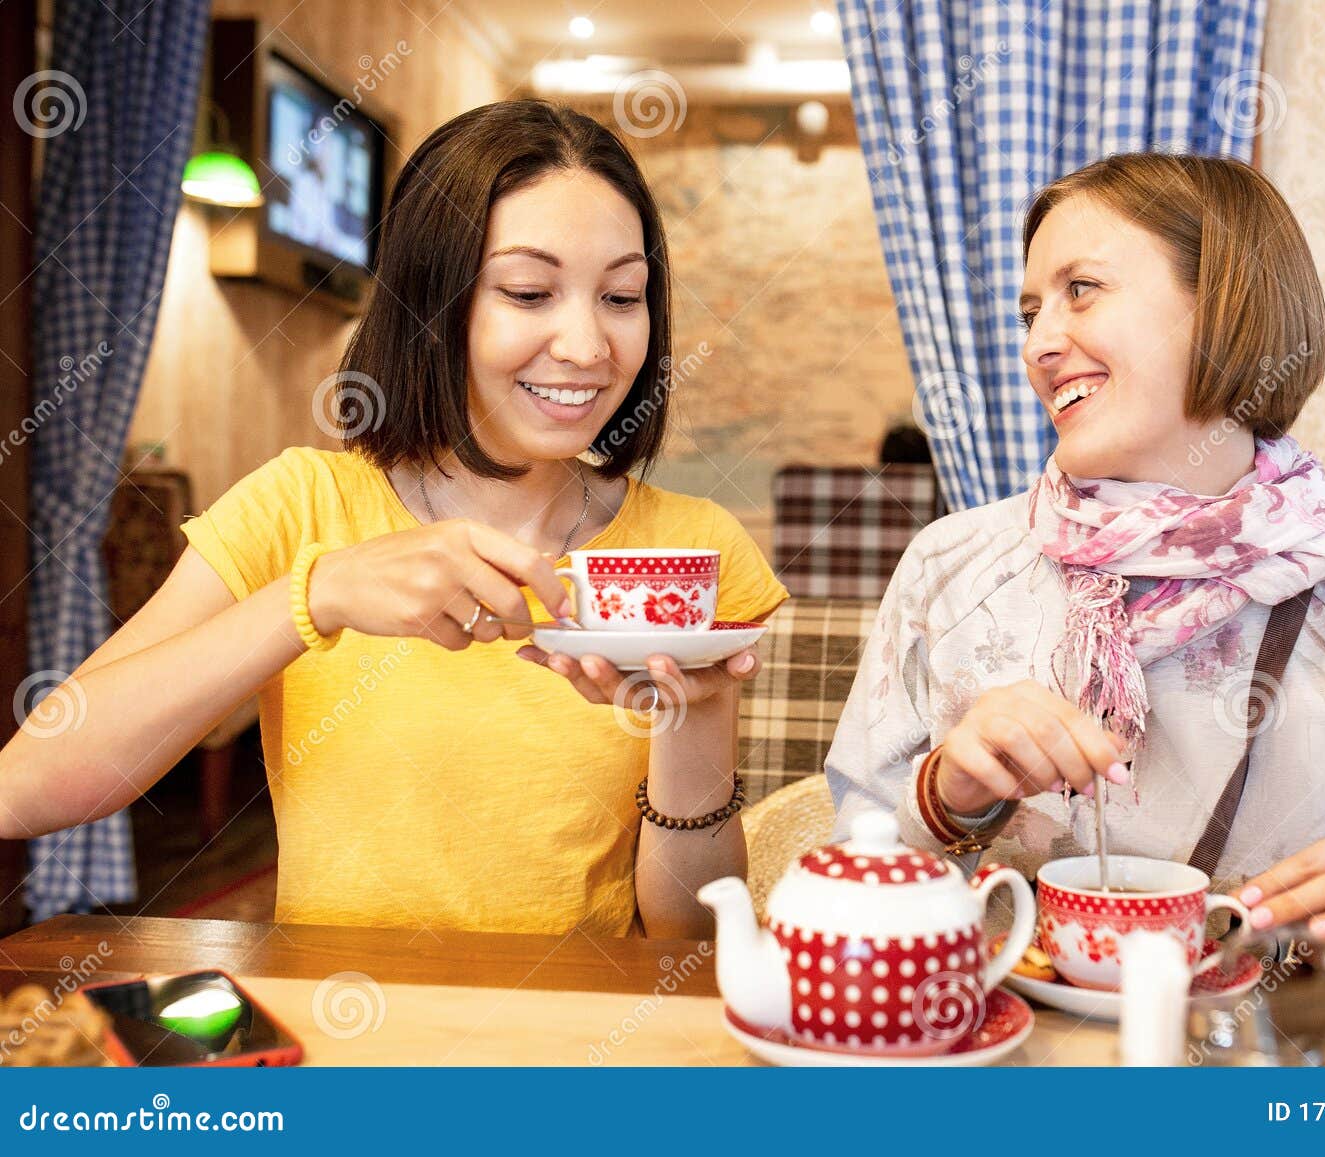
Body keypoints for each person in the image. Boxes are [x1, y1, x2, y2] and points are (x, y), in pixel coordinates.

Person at [0, 100, 788, 938]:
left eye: (622, 296)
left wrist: (692, 719)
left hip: (568, 1051)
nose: (590, 346)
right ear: (430, 301)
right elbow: (27, 787)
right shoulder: (302, 505)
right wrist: (315, 596)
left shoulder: (690, 551)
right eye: (529, 291)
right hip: (342, 1049)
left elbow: (689, 945)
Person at [827, 154, 1325, 951]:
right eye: (1030, 312)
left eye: (1081, 290)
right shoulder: (949, 569)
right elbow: (841, 899)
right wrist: (943, 801)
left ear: (1229, 306)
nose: (1039, 346)